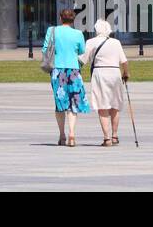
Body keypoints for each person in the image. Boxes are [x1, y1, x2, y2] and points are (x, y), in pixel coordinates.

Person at [43, 8, 90, 146]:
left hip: (58, 70)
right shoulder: (78, 33)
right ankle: (72, 134)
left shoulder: (52, 31)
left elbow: (45, 49)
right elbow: (82, 50)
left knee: (60, 104)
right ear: (73, 20)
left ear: (60, 18)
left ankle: (62, 135)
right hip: (74, 70)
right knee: (73, 104)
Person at [81, 18, 129, 146]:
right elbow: (124, 61)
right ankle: (114, 135)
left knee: (102, 106)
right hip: (115, 73)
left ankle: (106, 138)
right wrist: (126, 73)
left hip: (100, 73)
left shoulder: (91, 42)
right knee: (115, 104)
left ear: (96, 30)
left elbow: (82, 59)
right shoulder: (116, 42)